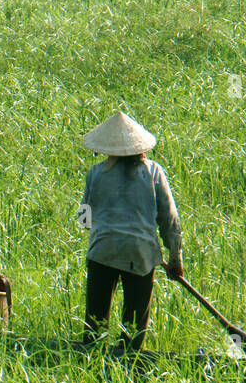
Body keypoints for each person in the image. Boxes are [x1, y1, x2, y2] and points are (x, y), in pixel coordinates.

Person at [78, 112, 183, 352]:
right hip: (140, 254)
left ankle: (91, 364)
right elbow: (170, 220)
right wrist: (175, 259)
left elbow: (84, 220)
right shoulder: (154, 172)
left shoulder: (95, 173)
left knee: (95, 322)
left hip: (102, 251)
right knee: (134, 326)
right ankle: (129, 366)